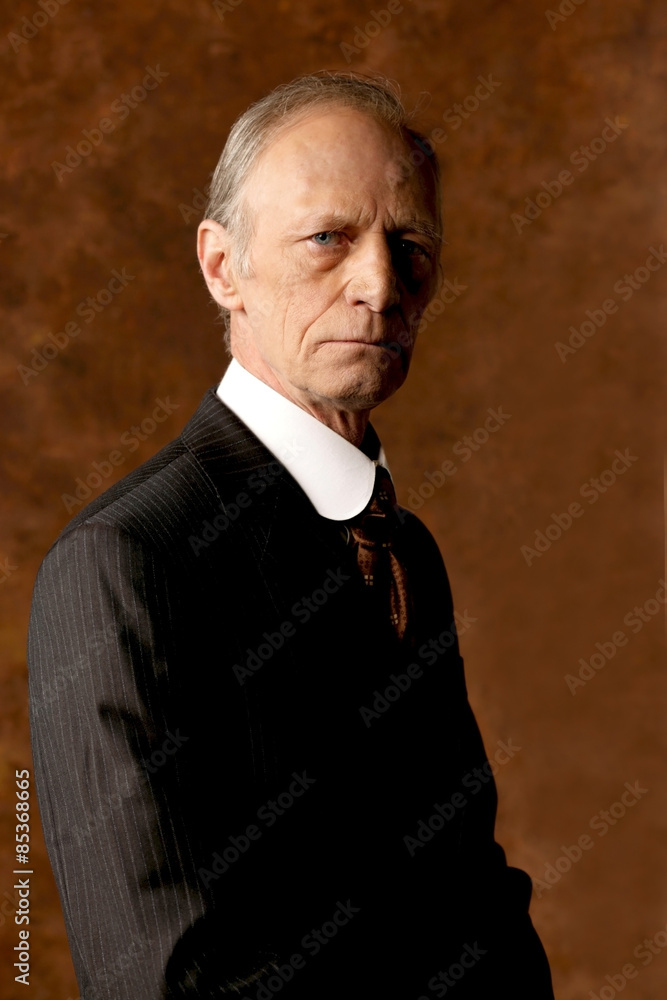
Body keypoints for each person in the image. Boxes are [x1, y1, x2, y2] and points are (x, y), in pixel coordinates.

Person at [28, 71, 554, 998]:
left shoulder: (402, 549)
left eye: (411, 243)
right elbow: (163, 975)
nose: (381, 285)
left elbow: (471, 898)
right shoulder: (126, 560)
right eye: (327, 239)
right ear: (222, 267)